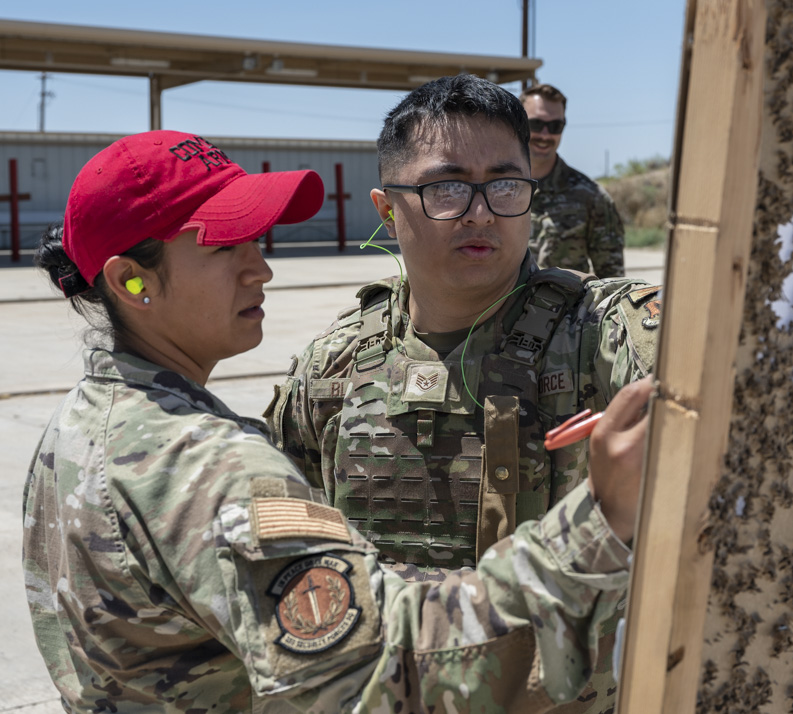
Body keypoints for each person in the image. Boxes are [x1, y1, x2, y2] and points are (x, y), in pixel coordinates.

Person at [22, 129, 653, 712]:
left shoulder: (80, 428)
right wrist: (599, 526)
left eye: (256, 240)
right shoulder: (206, 466)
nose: (260, 268)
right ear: (132, 283)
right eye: (226, 246)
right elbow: (383, 673)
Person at [269, 75, 661, 712]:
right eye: (446, 187)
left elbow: (698, 352)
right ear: (387, 207)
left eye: (505, 184)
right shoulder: (333, 366)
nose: (480, 212)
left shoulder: (599, 330)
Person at [519, 83, 625, 278]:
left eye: (555, 126)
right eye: (536, 124)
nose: (545, 135)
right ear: (519, 122)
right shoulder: (494, 188)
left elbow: (612, 282)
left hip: (563, 308)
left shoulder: (591, 197)